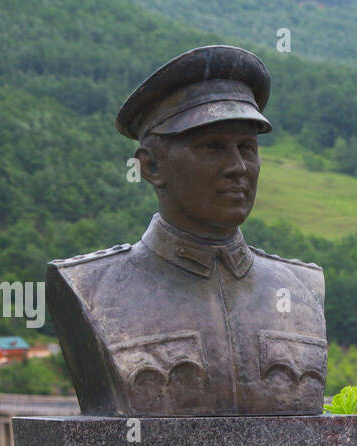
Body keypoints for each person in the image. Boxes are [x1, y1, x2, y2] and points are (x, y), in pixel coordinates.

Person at [46, 46, 327, 417]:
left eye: (247, 147)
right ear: (151, 167)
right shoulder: (89, 288)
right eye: (212, 147)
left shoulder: (303, 287)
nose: (238, 167)